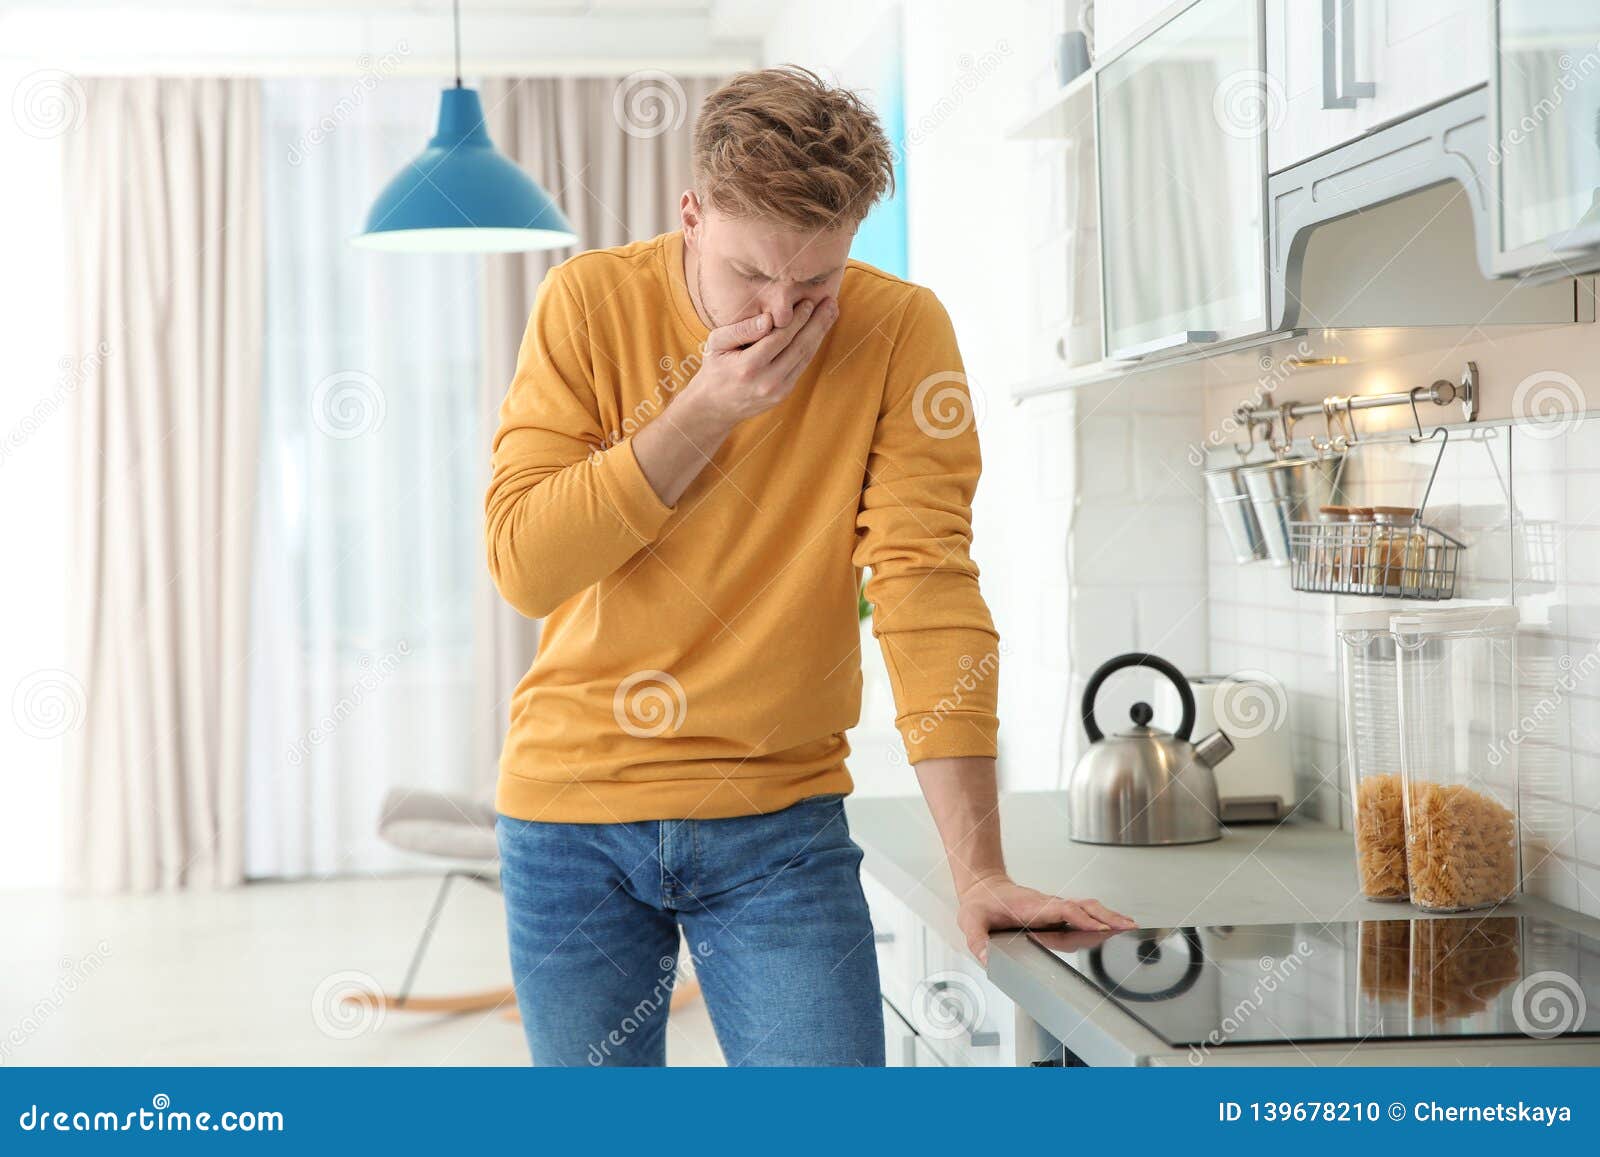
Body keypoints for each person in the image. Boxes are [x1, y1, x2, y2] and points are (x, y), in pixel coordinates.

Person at [486, 65, 1134, 1067]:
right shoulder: (586, 302)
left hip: (777, 826)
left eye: (815, 282)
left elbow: (925, 583)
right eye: (752, 275)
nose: (784, 312)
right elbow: (527, 562)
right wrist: (702, 411)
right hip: (571, 817)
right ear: (692, 214)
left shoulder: (898, 329)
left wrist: (979, 869)